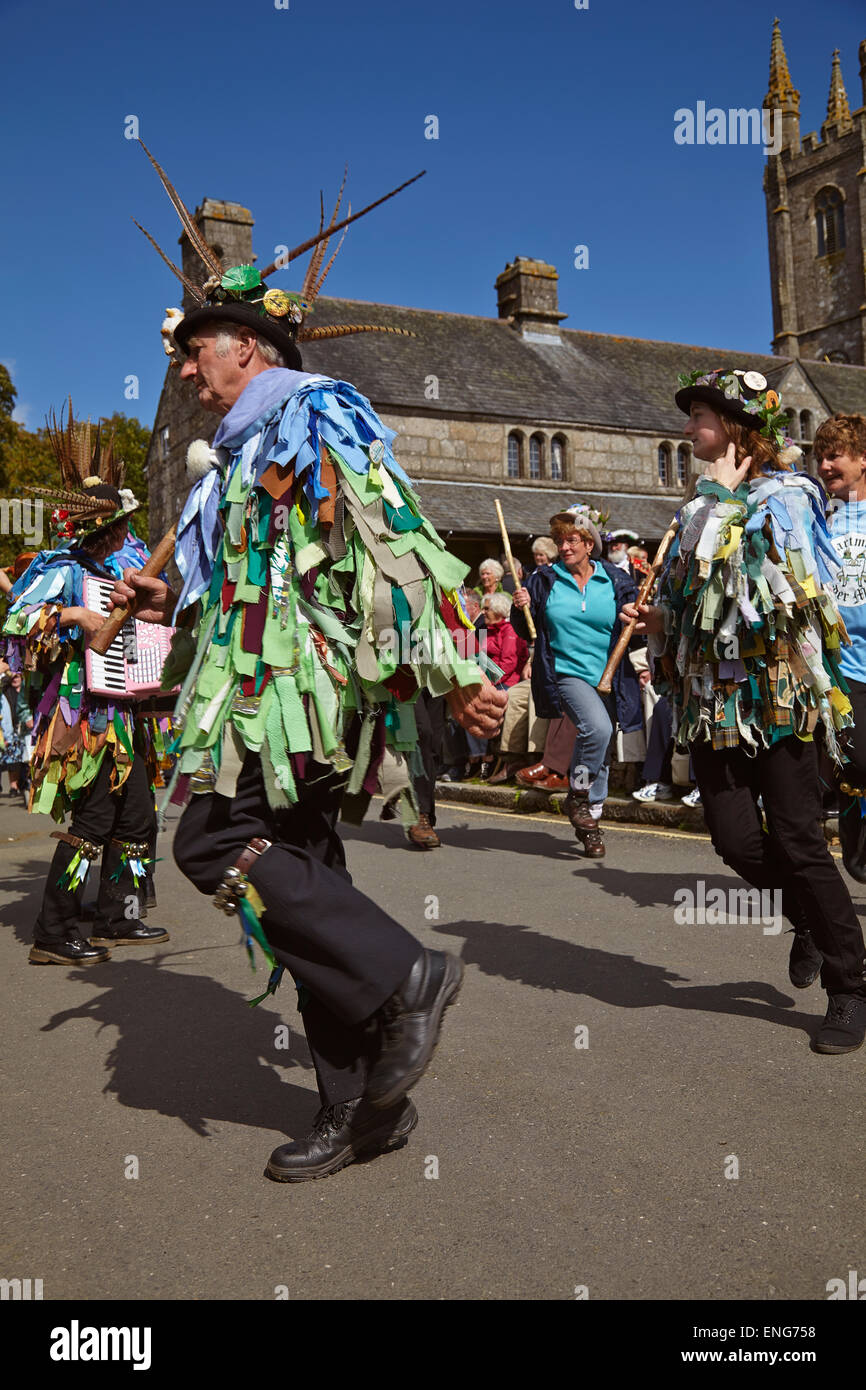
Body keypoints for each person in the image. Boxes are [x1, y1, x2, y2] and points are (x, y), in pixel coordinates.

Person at [114, 150, 506, 1182]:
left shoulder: (313, 412)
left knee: (210, 844)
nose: (185, 374)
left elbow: (392, 541)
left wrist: (451, 663)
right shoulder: (241, 450)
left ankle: (408, 973)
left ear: (245, 345)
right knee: (302, 884)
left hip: (305, 701)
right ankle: (359, 1108)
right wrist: (171, 603)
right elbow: (245, 591)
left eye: (195, 355)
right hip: (257, 698)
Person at [624, 367, 866, 1053]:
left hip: (776, 693)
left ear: (732, 428)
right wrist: (656, 620)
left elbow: (774, 587)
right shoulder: (694, 505)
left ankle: (850, 986)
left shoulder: (788, 494)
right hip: (713, 701)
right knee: (733, 841)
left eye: (698, 417)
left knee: (797, 837)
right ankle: (813, 919)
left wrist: (725, 502)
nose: (687, 428)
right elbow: (692, 599)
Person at [0, 410, 169, 964]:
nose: (123, 531)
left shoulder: (119, 572)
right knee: (93, 821)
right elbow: (16, 621)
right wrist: (75, 614)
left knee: (139, 818)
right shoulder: (63, 569)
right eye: (116, 526)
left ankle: (117, 915)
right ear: (100, 530)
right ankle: (52, 932)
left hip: (126, 715)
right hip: (82, 716)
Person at [512, 504, 641, 857]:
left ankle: (590, 822)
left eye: (572, 541)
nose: (565, 547)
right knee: (597, 730)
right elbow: (526, 629)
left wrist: (636, 615)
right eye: (560, 541)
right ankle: (580, 796)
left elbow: (637, 630)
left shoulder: (615, 579)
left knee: (599, 752)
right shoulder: (543, 579)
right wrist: (519, 605)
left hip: (610, 675)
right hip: (566, 673)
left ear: (589, 544)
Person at [814, 413, 866, 885]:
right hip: (843, 668)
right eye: (820, 456)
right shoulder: (816, 517)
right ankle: (858, 855)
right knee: (856, 763)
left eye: (835, 455)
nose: (825, 465)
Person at [464, 592, 527, 777]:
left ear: (499, 611)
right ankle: (477, 757)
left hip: (506, 682)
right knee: (467, 705)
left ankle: (486, 760)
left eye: (486, 608)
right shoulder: (487, 630)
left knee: (480, 703)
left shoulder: (510, 630)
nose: (483, 612)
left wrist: (487, 682)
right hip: (488, 680)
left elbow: (508, 663)